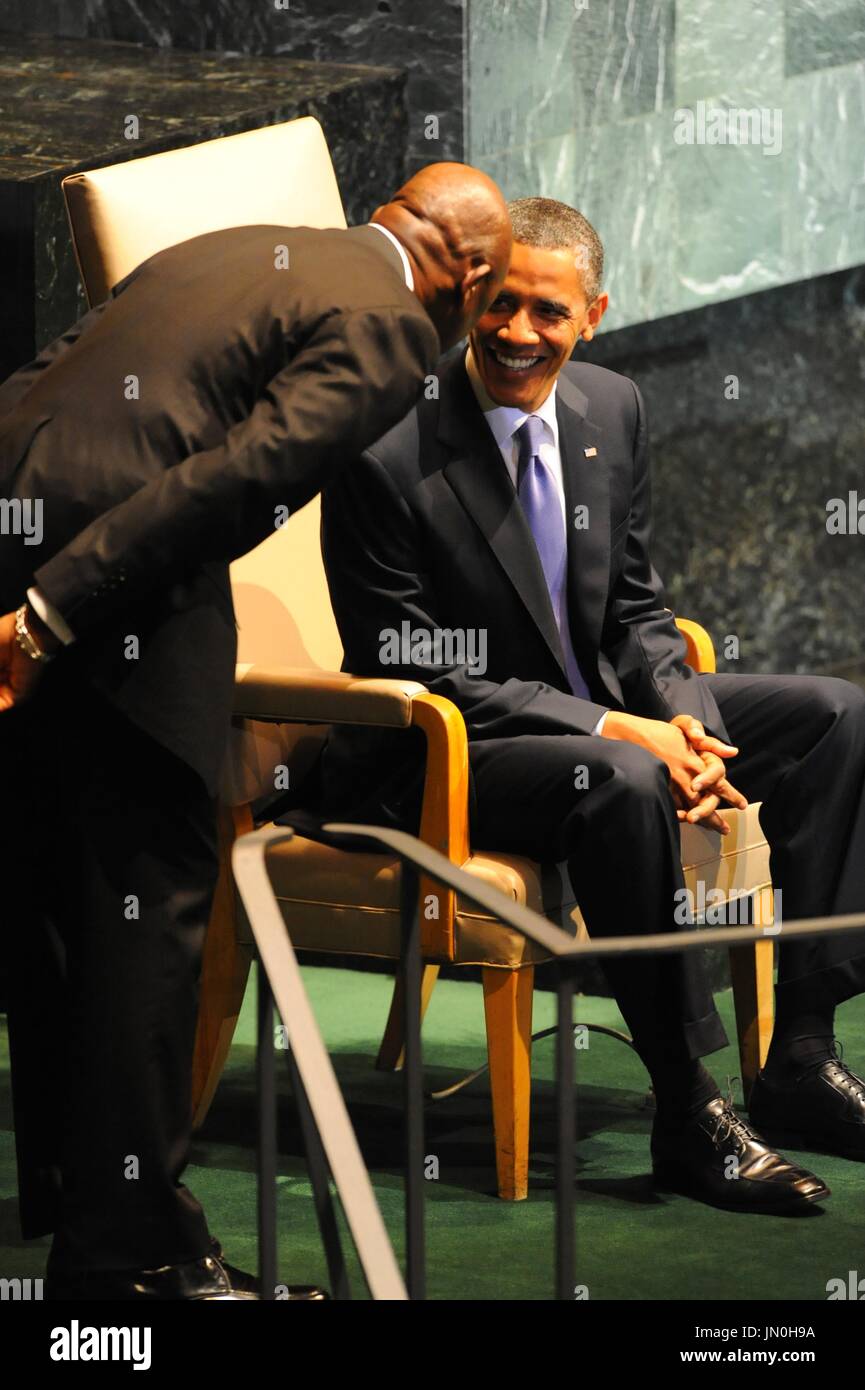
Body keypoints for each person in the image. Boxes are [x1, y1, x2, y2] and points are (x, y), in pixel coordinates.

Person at [0, 162, 513, 1299]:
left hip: (18, 506)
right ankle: (122, 1261)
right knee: (149, 910)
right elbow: (241, 476)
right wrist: (54, 610)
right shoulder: (390, 326)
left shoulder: (238, 244)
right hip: (119, 584)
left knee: (52, 899)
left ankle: (98, 1204)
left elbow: (51, 372)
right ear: (467, 278)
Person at [320, 195, 865, 1215]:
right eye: (502, 303)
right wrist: (624, 728)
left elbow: (635, 611)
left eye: (549, 312)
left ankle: (797, 1053)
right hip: (443, 748)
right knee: (615, 776)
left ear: (593, 314)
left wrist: (690, 722)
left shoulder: (611, 409)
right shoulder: (385, 444)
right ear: (473, 294)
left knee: (837, 714)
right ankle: (687, 1109)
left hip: (601, 713)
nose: (520, 332)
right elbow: (414, 659)